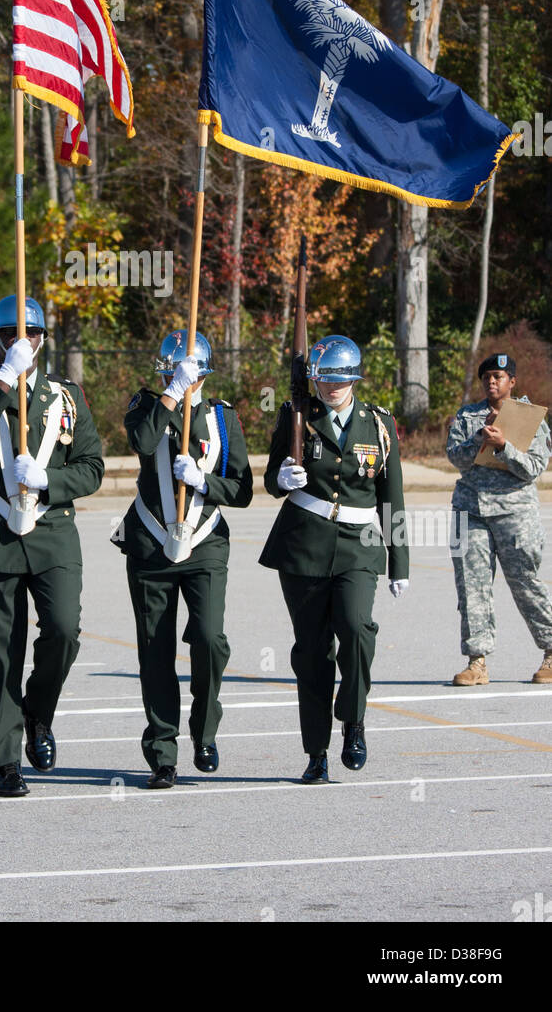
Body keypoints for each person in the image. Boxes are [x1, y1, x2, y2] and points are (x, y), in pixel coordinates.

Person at [0, 295, 104, 797]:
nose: (23, 342)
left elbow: (92, 467)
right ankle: (5, 760)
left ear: (42, 338)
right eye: (12, 334)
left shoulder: (67, 396)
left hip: (52, 530)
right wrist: (3, 378)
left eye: (31, 334)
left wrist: (49, 479)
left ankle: (39, 712)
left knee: (63, 632)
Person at [261, 334, 409, 783]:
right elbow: (270, 479)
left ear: (354, 379)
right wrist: (282, 478)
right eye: (323, 380)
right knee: (312, 653)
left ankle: (354, 718)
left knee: (358, 630)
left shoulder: (378, 424)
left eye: (339, 380)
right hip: (304, 543)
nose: (330, 389)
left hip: (359, 545)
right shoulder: (296, 415)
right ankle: (316, 752)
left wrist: (399, 563)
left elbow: (392, 499)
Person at [114, 331, 253, 789]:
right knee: (155, 650)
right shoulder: (146, 405)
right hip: (151, 541)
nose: (175, 378)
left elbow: (243, 490)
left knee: (210, 639)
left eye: (186, 374)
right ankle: (162, 752)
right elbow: (142, 439)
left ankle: (205, 730)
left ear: (204, 374)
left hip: (205, 542)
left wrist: (203, 482)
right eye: (168, 373)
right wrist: (173, 394)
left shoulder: (221, 416)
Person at [446, 352, 552, 686]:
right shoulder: (468, 416)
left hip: (514, 512)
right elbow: (456, 458)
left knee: (526, 583)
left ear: (512, 381)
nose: (492, 382)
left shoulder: (529, 417)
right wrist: (481, 438)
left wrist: (504, 445)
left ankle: (551, 651)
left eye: (499, 376)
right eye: (487, 377)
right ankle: (476, 661)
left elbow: (534, 467)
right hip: (472, 510)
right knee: (472, 587)